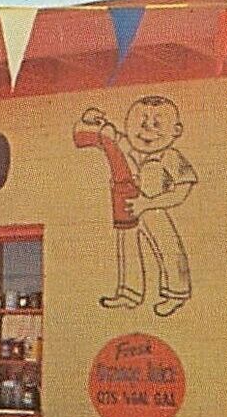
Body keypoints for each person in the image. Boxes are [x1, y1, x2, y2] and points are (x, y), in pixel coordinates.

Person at [73, 96, 196, 317]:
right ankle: (129, 293)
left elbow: (182, 190)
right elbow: (98, 133)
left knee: (168, 248)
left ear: (176, 130)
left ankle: (176, 293)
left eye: (157, 124)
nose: (147, 129)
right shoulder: (127, 146)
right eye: (141, 122)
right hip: (129, 207)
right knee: (127, 248)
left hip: (154, 210)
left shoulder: (170, 157)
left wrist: (148, 203)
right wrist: (89, 119)